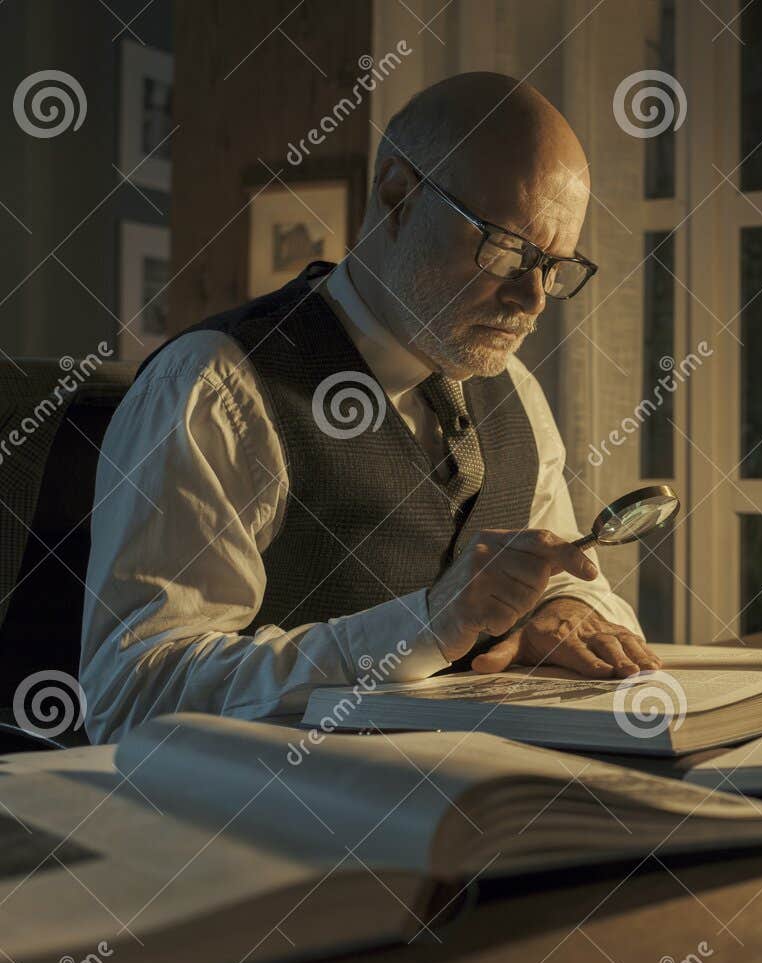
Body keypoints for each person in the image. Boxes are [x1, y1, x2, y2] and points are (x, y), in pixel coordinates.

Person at [80, 72, 659, 743]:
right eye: (505, 249)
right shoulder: (214, 387)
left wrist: (561, 606)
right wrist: (423, 627)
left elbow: (556, 567)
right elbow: (131, 694)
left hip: (487, 812)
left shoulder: (518, 396)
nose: (532, 300)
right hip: (278, 829)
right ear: (398, 195)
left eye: (553, 267)